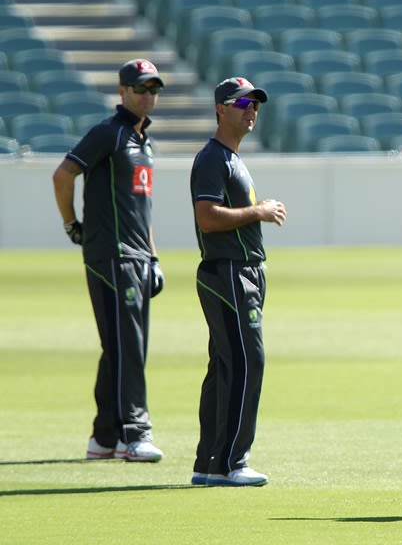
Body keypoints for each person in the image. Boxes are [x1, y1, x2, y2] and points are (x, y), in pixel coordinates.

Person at [51, 59, 166, 462]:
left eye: (153, 89)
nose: (147, 96)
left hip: (136, 256)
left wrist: (153, 257)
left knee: (120, 345)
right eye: (140, 89)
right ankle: (134, 433)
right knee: (128, 345)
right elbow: (63, 175)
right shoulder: (109, 133)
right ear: (122, 91)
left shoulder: (142, 140)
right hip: (112, 254)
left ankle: (104, 436)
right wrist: (72, 226)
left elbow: (142, 207)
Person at [189, 77, 286, 487]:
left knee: (225, 367)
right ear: (220, 109)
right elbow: (208, 218)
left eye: (255, 104)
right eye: (242, 102)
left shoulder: (231, 158)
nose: (251, 110)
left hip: (240, 272)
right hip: (229, 271)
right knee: (248, 361)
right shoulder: (213, 158)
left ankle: (209, 462)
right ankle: (231, 462)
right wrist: (258, 212)